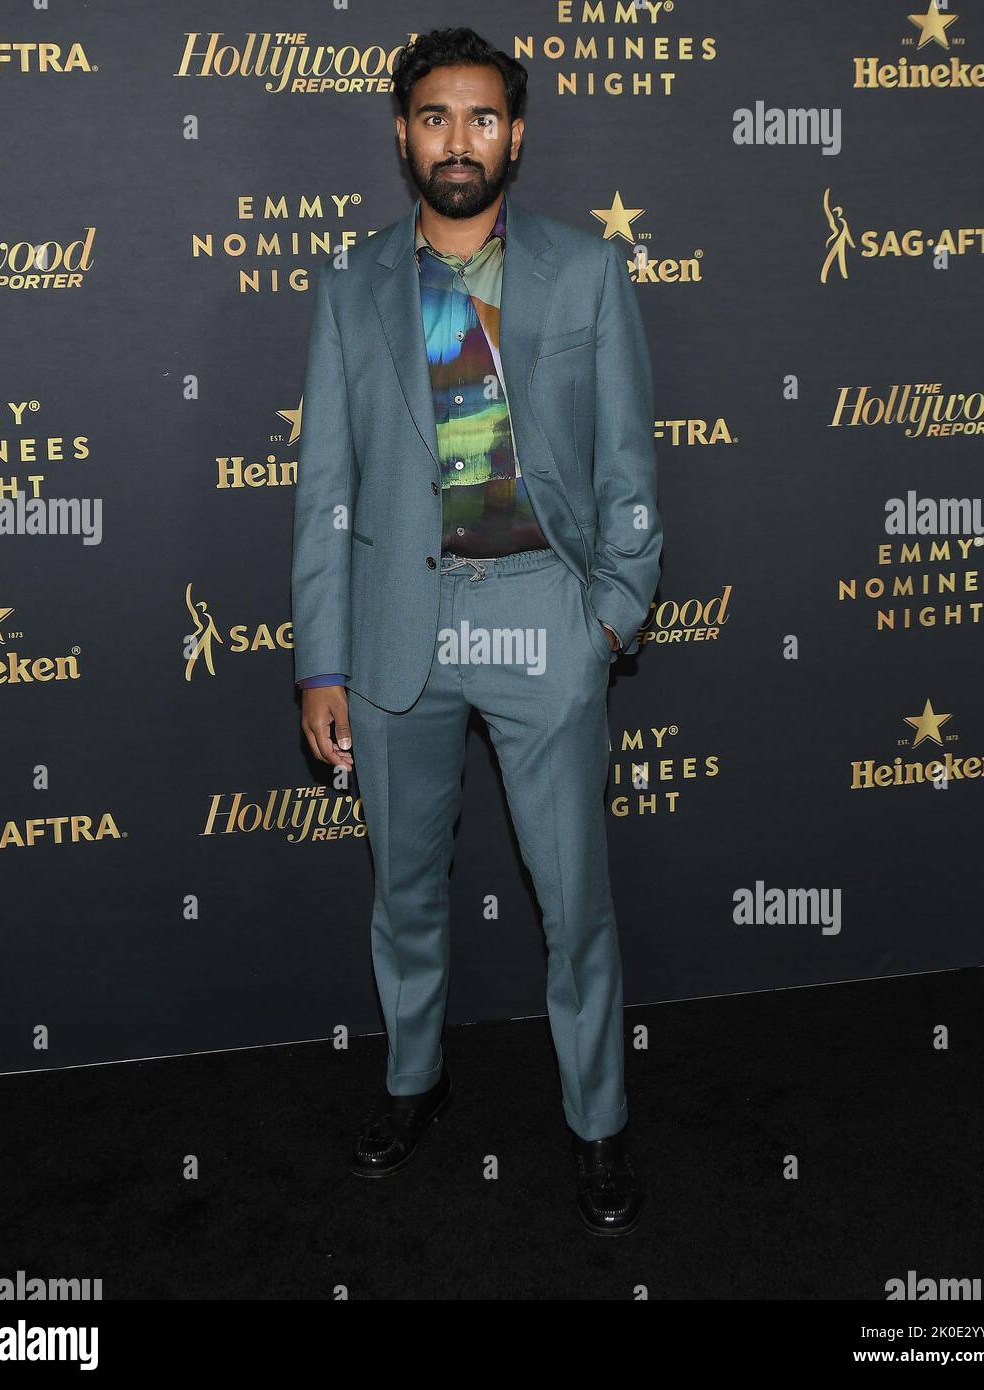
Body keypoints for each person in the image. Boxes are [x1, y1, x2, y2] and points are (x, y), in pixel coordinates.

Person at [290, 27, 662, 1236]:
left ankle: (597, 1122)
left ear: (517, 134)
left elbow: (627, 464)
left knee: (573, 903)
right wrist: (322, 660)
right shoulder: (350, 285)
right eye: (435, 117)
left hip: (540, 615)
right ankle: (412, 1080)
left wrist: (607, 615)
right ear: (403, 134)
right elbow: (324, 488)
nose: (460, 140)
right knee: (401, 893)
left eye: (483, 118)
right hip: (400, 629)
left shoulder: (583, 271)